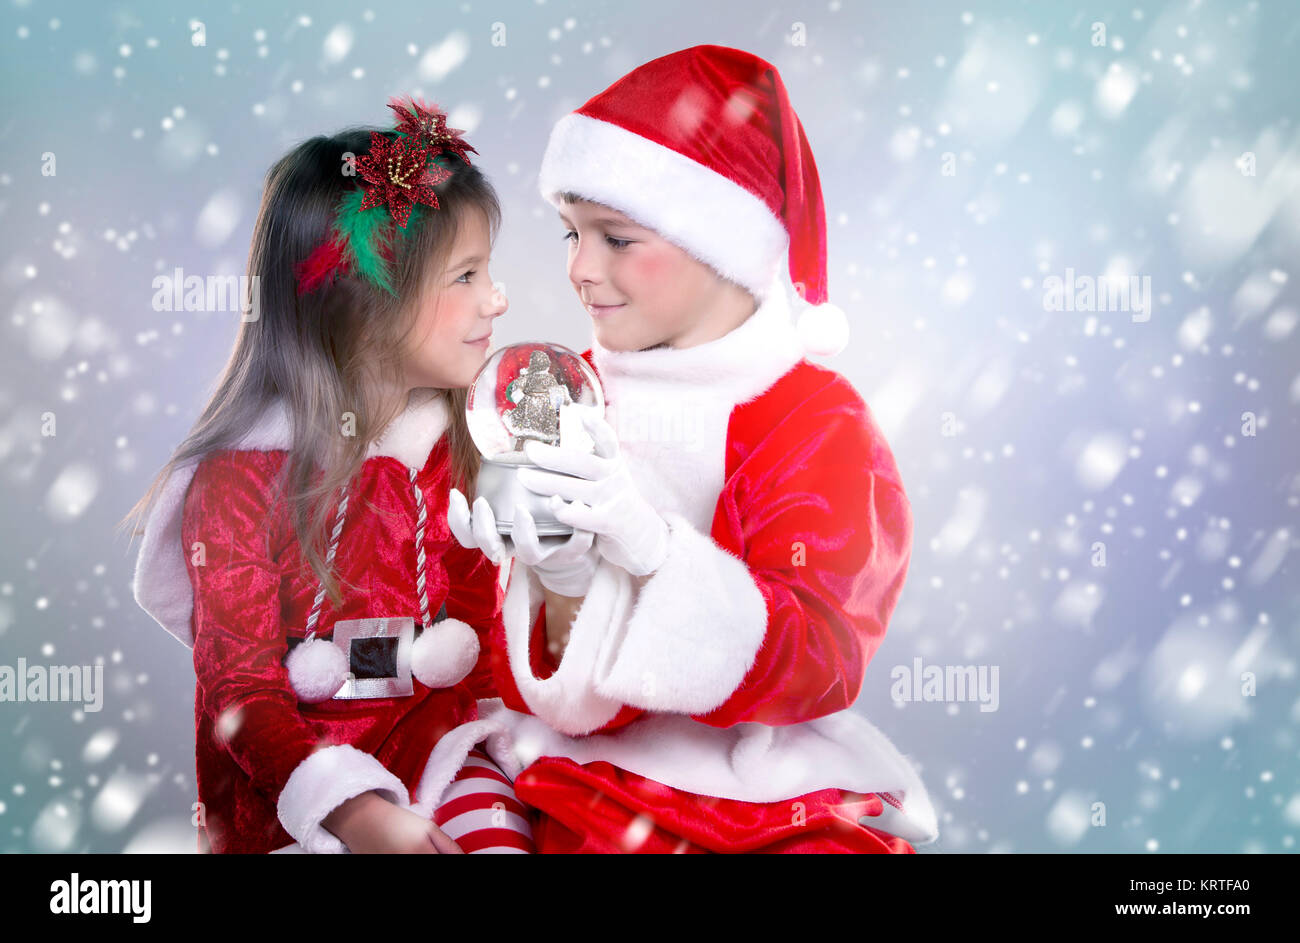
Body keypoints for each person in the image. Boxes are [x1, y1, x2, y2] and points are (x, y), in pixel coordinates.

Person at [450, 44, 939, 853]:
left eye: (614, 237)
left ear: (722, 245)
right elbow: (536, 682)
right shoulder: (567, 395)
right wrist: (558, 582)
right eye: (570, 233)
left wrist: (651, 553)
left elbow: (820, 653)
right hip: (586, 779)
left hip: (765, 785)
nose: (577, 268)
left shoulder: (814, 420)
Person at [127, 96, 532, 853]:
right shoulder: (239, 483)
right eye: (466, 275)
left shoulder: (452, 445)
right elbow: (239, 692)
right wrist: (356, 810)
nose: (496, 299)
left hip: (437, 746)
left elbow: (477, 626)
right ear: (365, 302)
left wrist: (525, 732)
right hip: (293, 786)